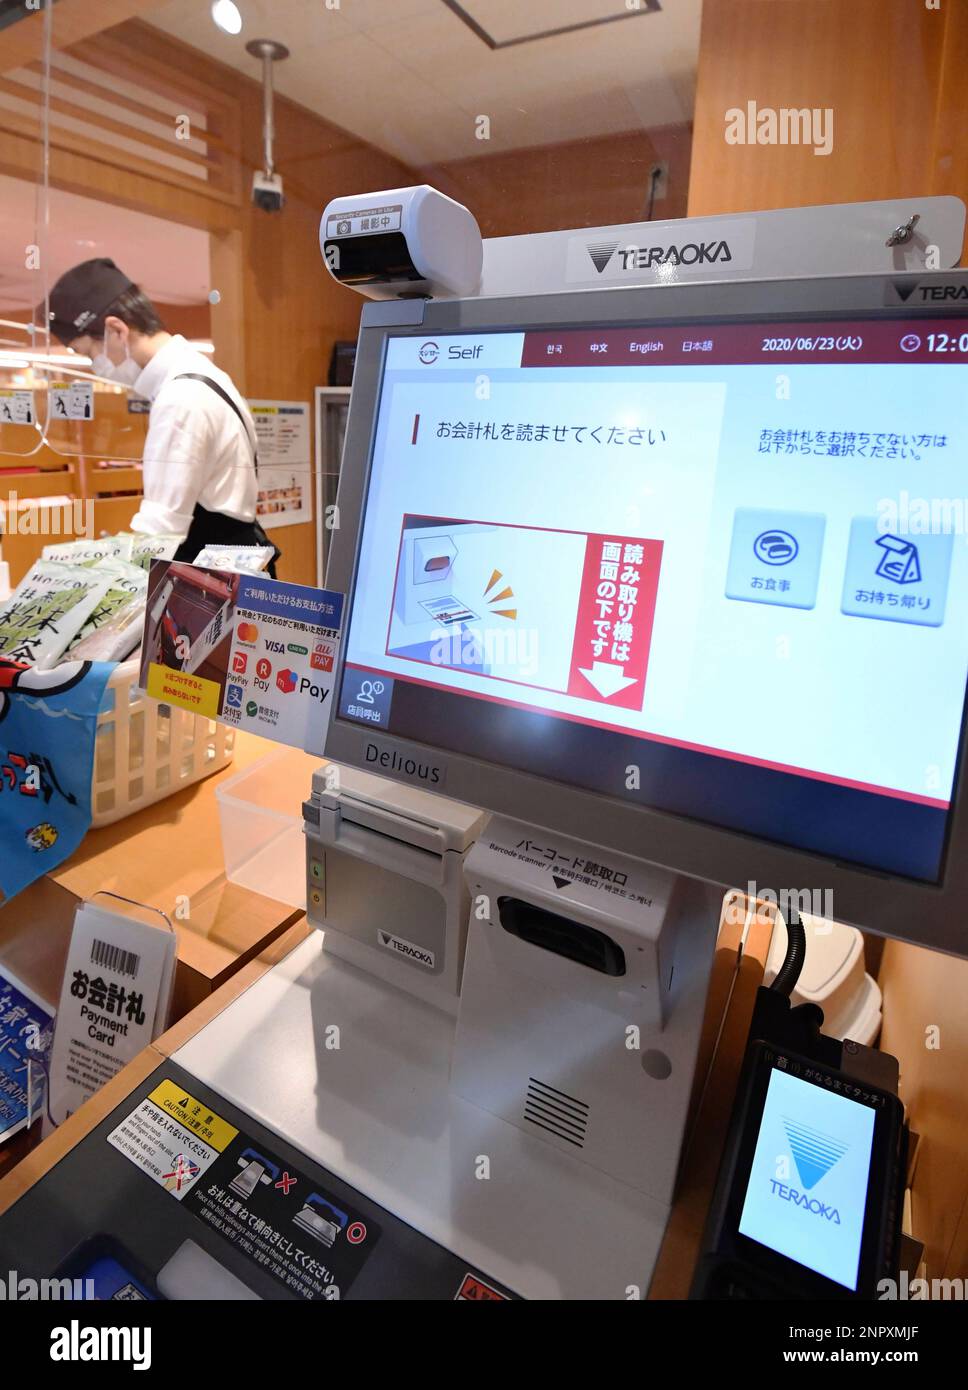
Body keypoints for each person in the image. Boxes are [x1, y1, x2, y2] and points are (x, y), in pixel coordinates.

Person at [45, 258, 279, 575]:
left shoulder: (180, 398)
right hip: (233, 563)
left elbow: (161, 530)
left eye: (89, 353)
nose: (95, 366)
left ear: (116, 330)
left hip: (209, 577)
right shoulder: (203, 374)